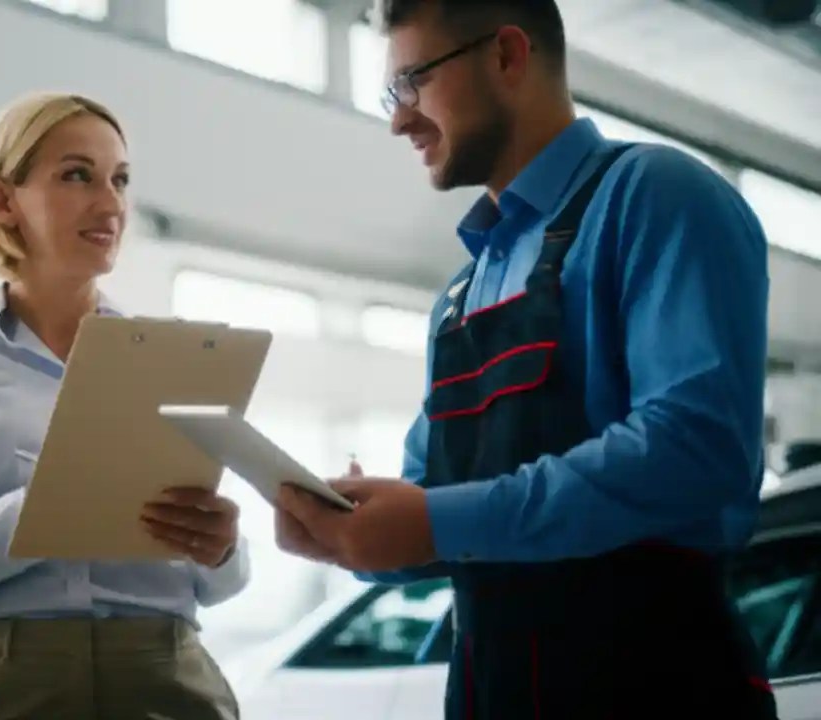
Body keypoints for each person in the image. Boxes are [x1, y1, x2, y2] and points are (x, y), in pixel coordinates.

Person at [274, 1, 779, 718]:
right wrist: (347, 535)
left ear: (508, 55)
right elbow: (436, 508)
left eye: (412, 82)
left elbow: (695, 450)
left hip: (656, 692)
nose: (398, 119)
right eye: (392, 94)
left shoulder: (656, 197)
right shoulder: (460, 293)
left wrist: (435, 521)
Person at [0, 91, 247, 720]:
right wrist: (41, 509)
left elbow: (220, 584)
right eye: (77, 175)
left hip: (167, 673)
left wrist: (223, 548)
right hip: (3, 682)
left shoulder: (171, 355)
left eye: (120, 179)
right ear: (3, 202)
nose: (111, 203)